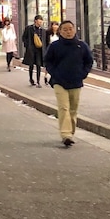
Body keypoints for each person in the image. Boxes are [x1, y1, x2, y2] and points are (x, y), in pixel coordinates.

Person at [44, 19, 94, 147]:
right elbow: (48, 61)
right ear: (60, 31)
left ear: (74, 29)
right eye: (65, 30)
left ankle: (70, 132)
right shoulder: (55, 46)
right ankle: (66, 134)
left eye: (70, 29)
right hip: (59, 81)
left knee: (73, 109)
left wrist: (83, 74)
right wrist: (54, 73)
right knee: (63, 107)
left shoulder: (81, 46)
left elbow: (89, 61)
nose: (68, 32)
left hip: (76, 81)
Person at [22, 14, 45, 87]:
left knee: (38, 65)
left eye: (41, 22)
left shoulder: (43, 30)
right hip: (31, 49)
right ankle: (31, 79)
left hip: (39, 50)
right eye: (39, 22)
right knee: (31, 65)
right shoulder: (29, 28)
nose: (40, 23)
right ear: (35, 21)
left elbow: (44, 40)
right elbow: (24, 37)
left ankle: (38, 81)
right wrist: (27, 46)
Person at [43, 20, 60, 85]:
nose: (55, 26)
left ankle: (54, 77)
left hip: (57, 51)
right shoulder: (48, 33)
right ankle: (46, 76)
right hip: (50, 50)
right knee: (49, 64)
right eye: (54, 25)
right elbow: (46, 42)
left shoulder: (59, 33)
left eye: (56, 25)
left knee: (56, 64)